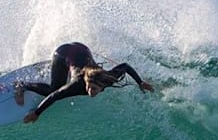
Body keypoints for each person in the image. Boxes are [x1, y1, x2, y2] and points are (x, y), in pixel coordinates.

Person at [14, 41, 154, 123]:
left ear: (101, 86)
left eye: (94, 89)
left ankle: (58, 68)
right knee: (54, 88)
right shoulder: (77, 85)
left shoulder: (107, 79)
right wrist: (37, 113)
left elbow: (125, 66)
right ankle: (22, 85)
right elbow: (54, 96)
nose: (90, 91)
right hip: (62, 53)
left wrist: (140, 82)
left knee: (68, 72)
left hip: (82, 48)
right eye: (89, 87)